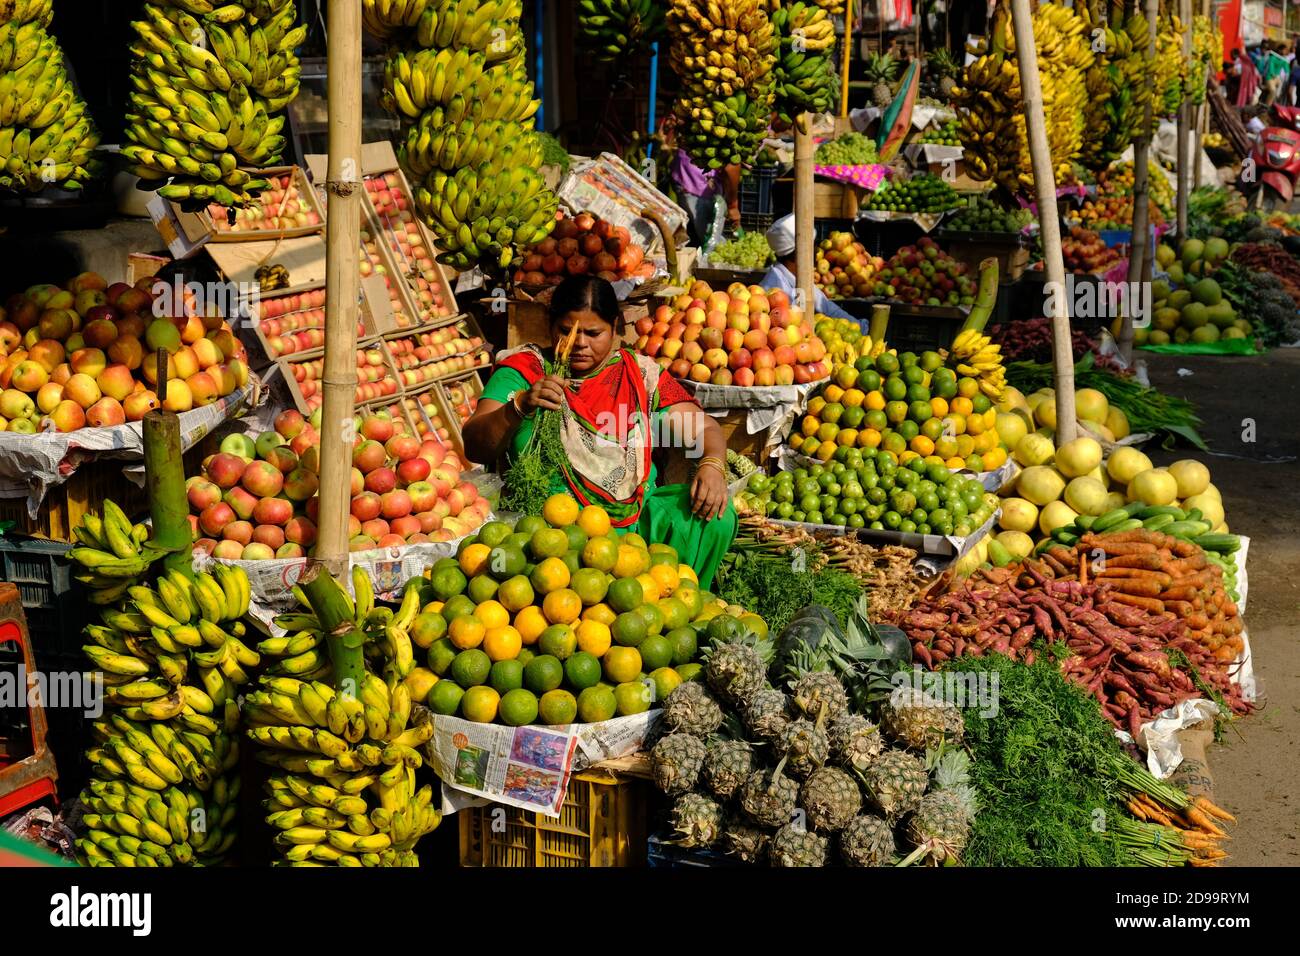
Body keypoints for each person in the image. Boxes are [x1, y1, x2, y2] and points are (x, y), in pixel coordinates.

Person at [462, 275, 737, 587]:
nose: (579, 343)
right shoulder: (525, 372)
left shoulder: (638, 376)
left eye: (593, 333)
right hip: (546, 538)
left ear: (616, 328)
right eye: (567, 331)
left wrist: (713, 462)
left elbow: (701, 426)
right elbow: (474, 446)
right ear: (551, 325)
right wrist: (519, 406)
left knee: (715, 515)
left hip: (631, 526)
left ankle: (678, 598)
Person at [758, 214, 857, 321]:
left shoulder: (795, 278)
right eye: (813, 246)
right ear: (799, 252)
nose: (817, 251)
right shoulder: (778, 290)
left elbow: (829, 309)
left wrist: (862, 327)